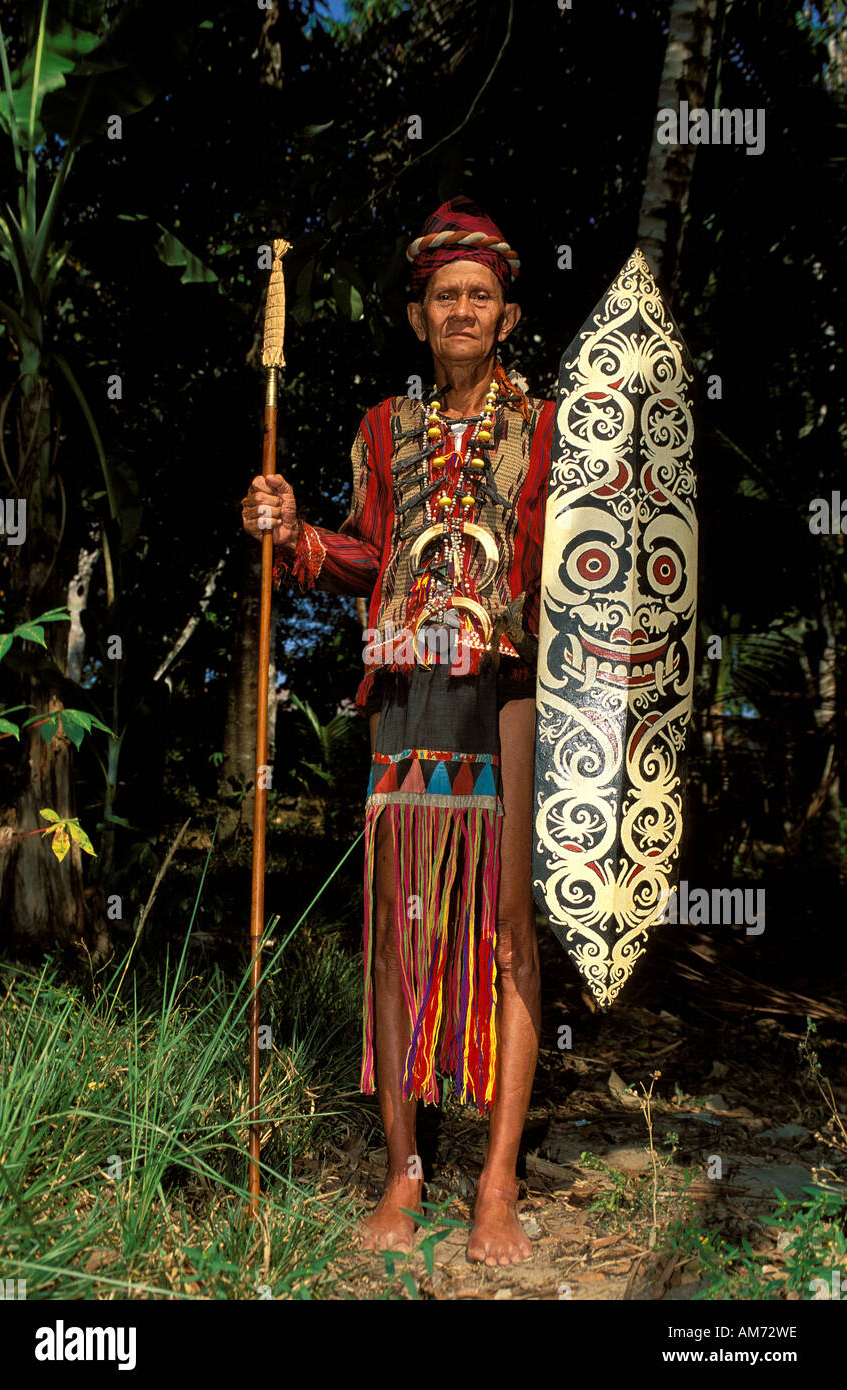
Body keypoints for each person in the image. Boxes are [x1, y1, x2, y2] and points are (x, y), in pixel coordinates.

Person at [242, 197, 556, 1266]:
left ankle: (498, 1182)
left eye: (479, 294)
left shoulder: (552, 428)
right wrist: (298, 533)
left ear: (505, 315)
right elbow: (375, 556)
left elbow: (588, 569)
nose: (461, 309)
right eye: (443, 296)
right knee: (397, 933)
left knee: (509, 928)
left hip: (508, 696)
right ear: (420, 318)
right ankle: (402, 1171)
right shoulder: (387, 428)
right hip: (401, 700)